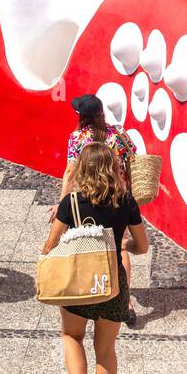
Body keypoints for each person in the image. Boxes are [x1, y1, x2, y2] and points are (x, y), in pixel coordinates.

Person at [42, 142, 149, 374]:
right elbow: (142, 246)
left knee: (71, 336)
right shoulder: (125, 202)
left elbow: (51, 245)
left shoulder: (71, 203)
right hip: (112, 286)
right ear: (112, 170)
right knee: (105, 352)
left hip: (78, 284)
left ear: (83, 169)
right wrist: (121, 246)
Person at [54, 93, 140, 326]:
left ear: (81, 117)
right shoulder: (118, 134)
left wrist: (61, 203)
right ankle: (126, 301)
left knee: (90, 243)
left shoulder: (78, 138)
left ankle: (93, 291)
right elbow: (133, 160)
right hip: (118, 198)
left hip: (88, 198)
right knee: (121, 245)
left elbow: (70, 174)